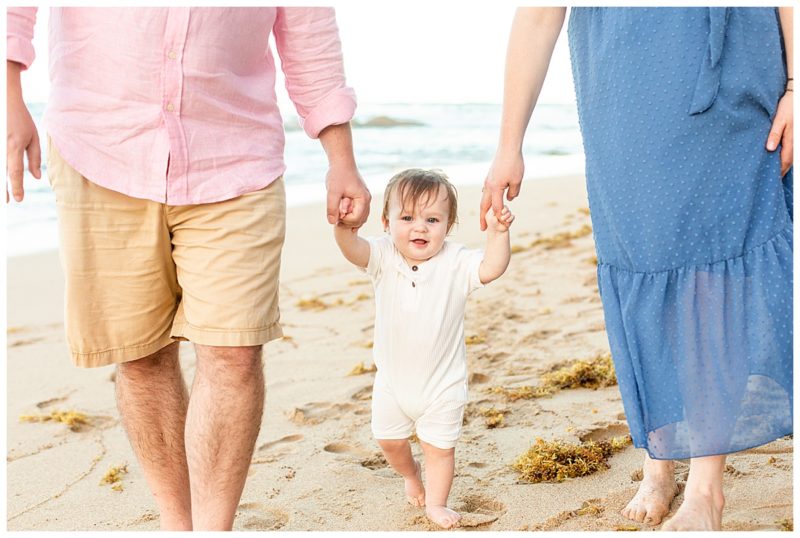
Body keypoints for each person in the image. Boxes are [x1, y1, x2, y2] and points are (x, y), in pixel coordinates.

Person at [6, 7, 371, 531]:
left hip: (235, 155)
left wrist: (341, 159)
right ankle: (179, 527)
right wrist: (10, 94)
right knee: (141, 356)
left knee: (236, 351)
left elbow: (309, 34)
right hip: (101, 146)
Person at [485, 7, 793, 531]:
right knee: (643, 257)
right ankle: (661, 448)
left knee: (710, 271)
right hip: (621, 77)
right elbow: (539, 14)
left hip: (732, 63)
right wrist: (508, 144)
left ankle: (706, 488)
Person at [333, 169, 513, 528]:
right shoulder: (383, 256)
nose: (420, 228)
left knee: (440, 449)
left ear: (448, 226)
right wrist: (343, 226)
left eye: (432, 220)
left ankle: (436, 502)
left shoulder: (456, 262)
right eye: (407, 218)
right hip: (392, 382)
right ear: (386, 222)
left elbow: (492, 268)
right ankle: (411, 475)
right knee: (389, 441)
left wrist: (497, 233)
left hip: (442, 384)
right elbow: (353, 250)